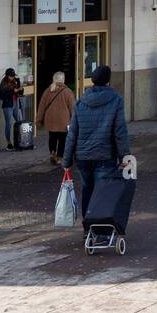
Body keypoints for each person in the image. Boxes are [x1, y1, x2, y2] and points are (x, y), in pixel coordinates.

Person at [62, 65, 131, 218]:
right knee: (103, 192)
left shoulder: (80, 102)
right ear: (108, 81)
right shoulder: (116, 100)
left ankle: (88, 228)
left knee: (87, 190)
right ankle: (100, 229)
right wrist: (125, 156)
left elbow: (72, 134)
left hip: (83, 156)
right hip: (105, 155)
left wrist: (66, 161)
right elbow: (120, 132)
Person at [35, 71, 76, 166]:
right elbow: (73, 108)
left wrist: (39, 119)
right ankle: (59, 157)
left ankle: (52, 153)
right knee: (63, 140)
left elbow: (41, 106)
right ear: (63, 80)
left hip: (50, 120)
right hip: (63, 120)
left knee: (52, 137)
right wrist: (74, 121)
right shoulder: (68, 92)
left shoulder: (48, 90)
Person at [0, 68, 22, 150]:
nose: (12, 78)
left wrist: (20, 89)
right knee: (9, 123)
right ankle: (9, 143)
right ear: (7, 76)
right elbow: (1, 96)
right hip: (8, 105)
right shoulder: (3, 83)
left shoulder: (15, 81)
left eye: (13, 76)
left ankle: (20, 141)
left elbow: (19, 92)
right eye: (11, 76)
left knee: (20, 122)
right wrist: (13, 91)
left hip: (16, 103)